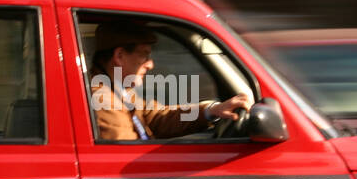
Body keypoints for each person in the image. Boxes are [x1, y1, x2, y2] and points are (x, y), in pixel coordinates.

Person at [88, 21, 251, 140]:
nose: (150, 64)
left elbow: (157, 117)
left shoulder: (117, 90)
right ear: (119, 56)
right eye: (144, 55)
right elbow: (126, 157)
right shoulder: (103, 100)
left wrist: (211, 110)